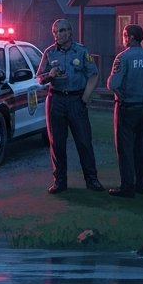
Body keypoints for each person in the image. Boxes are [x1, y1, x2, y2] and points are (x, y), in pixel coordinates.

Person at [35, 18, 104, 194]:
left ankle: (92, 180)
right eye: (57, 31)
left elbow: (93, 74)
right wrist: (50, 75)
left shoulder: (81, 51)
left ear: (70, 31)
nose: (60, 34)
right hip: (56, 100)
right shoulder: (49, 52)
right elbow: (39, 78)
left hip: (76, 100)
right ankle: (59, 181)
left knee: (84, 141)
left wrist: (85, 97)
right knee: (57, 142)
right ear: (54, 34)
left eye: (64, 30)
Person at [106, 24, 143, 198]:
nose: (123, 38)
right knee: (141, 146)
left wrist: (122, 95)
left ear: (131, 37)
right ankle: (142, 184)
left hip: (127, 106)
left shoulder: (123, 57)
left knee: (125, 147)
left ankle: (127, 186)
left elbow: (112, 84)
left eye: (124, 35)